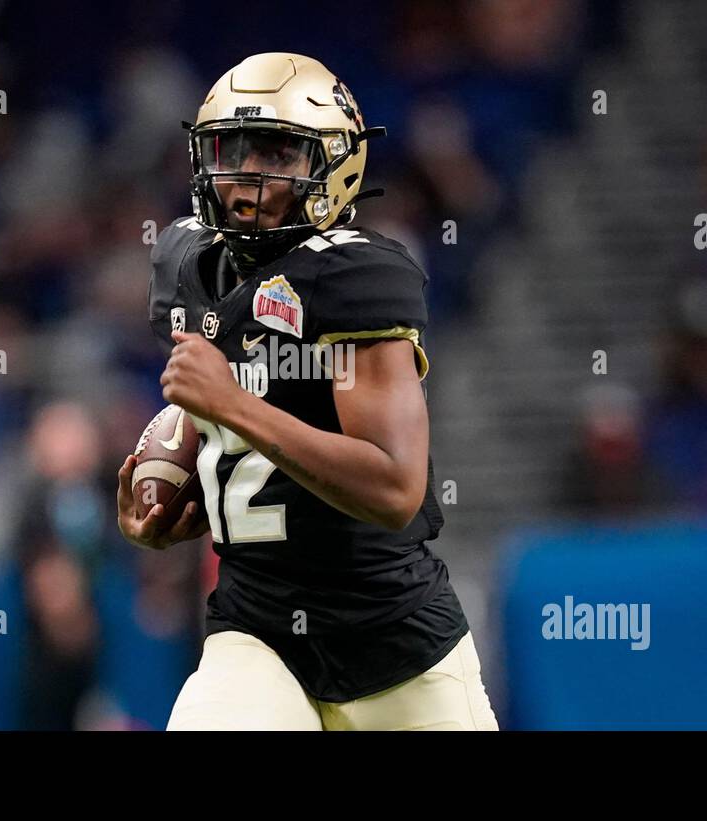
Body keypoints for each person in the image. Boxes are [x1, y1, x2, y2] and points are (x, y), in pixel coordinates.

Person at [116, 53, 497, 730]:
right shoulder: (191, 265)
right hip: (256, 629)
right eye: (230, 150)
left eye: (276, 152)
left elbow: (393, 488)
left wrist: (230, 405)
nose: (247, 175)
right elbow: (241, 430)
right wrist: (187, 489)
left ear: (334, 163)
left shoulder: (356, 274)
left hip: (393, 638)